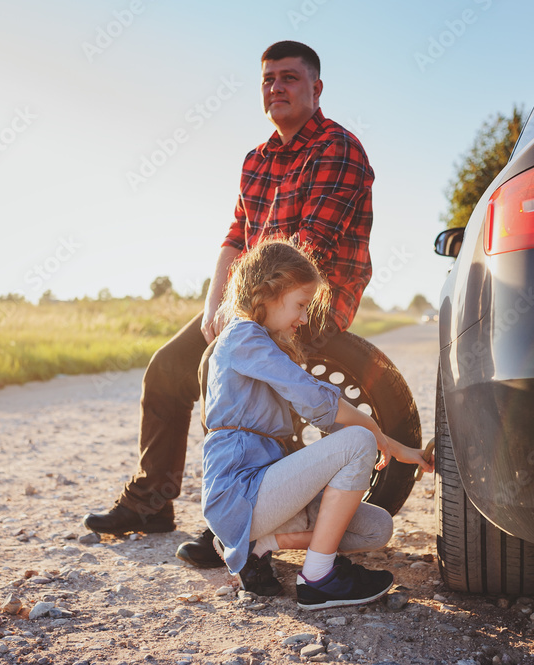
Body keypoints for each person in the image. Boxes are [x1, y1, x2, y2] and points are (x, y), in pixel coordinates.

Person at [83, 40, 377, 570]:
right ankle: (152, 501)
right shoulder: (256, 159)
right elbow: (236, 237)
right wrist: (213, 306)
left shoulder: (338, 148)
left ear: (316, 87)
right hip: (249, 301)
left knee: (223, 367)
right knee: (169, 366)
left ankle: (234, 516)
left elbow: (305, 253)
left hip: (307, 299)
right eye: (268, 79)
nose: (276, 87)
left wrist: (239, 323)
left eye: (289, 77)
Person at [203, 239, 433, 607]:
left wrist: (403, 451)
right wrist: (380, 441)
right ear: (268, 291)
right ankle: (319, 577)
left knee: (376, 528)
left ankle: (259, 544)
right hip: (239, 492)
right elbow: (319, 401)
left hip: (268, 496)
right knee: (358, 439)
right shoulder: (242, 336)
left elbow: (323, 418)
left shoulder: (266, 345)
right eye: (300, 304)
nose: (304, 318)